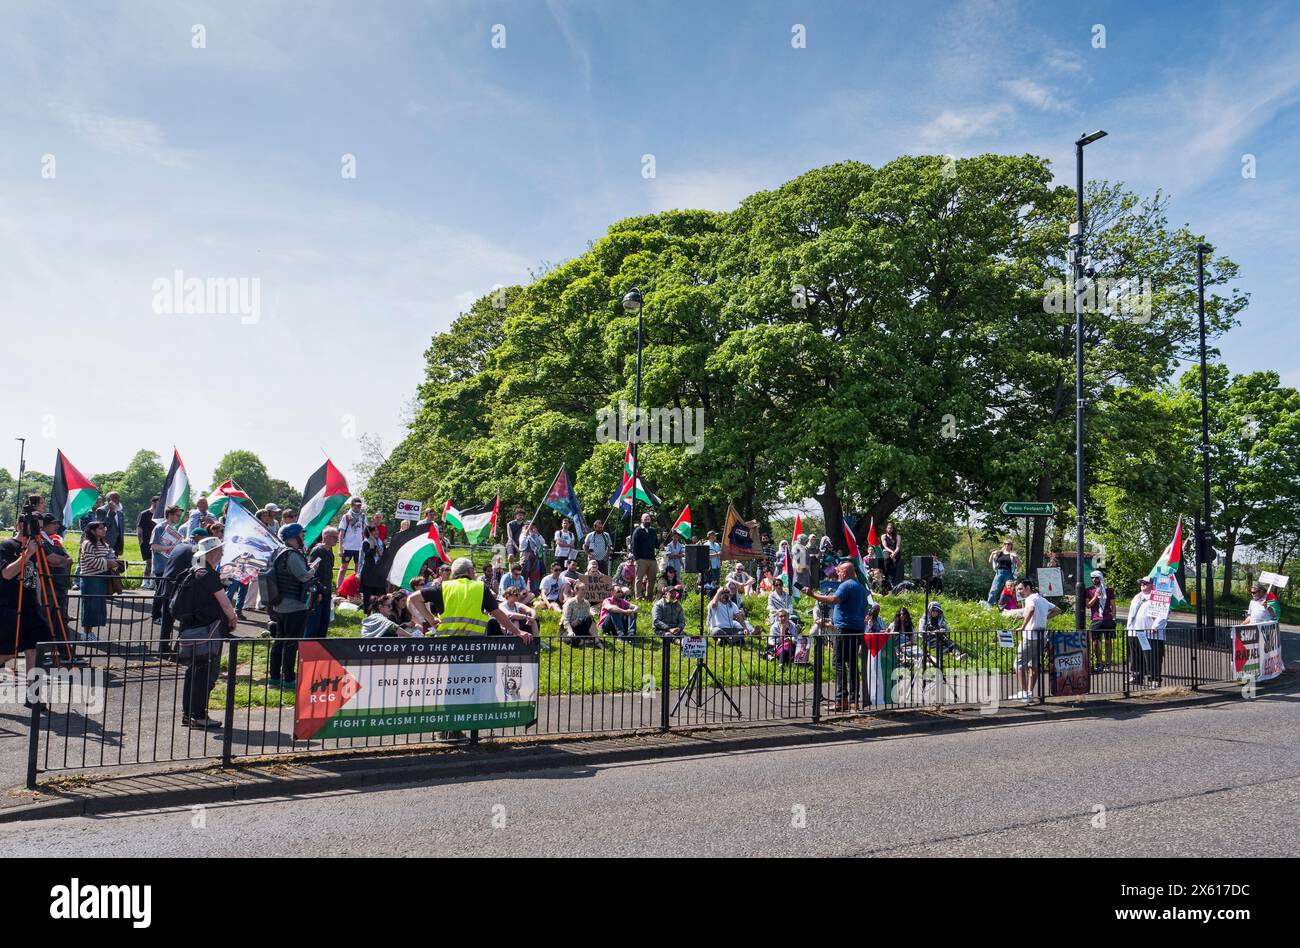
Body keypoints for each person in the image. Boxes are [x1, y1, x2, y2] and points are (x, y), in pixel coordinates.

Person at [171, 536, 237, 728]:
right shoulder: (207, 575)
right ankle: (198, 715)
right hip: (207, 630)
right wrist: (232, 618)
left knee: (193, 672)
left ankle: (188, 714)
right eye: (220, 550)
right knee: (204, 673)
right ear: (212, 553)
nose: (222, 553)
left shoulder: (192, 571)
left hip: (191, 629)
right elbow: (225, 603)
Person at [410, 557, 531, 642]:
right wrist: (518, 632)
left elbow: (413, 598)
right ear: (469, 571)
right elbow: (498, 613)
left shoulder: (442, 587)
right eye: (473, 569)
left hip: (446, 643)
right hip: (474, 643)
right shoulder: (480, 587)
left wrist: (431, 619)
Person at [807, 560, 867, 711]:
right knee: (853, 665)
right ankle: (854, 701)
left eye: (839, 571)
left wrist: (813, 595)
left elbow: (834, 600)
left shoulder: (845, 585)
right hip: (857, 629)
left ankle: (841, 700)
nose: (837, 574)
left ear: (845, 572)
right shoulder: (860, 587)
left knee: (839, 664)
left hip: (844, 630)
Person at [0, 520, 50, 681]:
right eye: (36, 526)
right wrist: (26, 553)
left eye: (41, 527)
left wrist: (39, 597)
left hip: (31, 606)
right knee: (7, 653)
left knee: (34, 649)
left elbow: (35, 574)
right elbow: (6, 574)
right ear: (22, 524)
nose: (39, 530)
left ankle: (33, 696)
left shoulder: (35, 547)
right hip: (10, 606)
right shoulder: (6, 546)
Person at [267, 523, 314, 688]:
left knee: (280, 640)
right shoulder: (292, 555)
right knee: (291, 643)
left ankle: (274, 677)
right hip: (294, 606)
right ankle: (288, 679)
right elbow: (303, 576)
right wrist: (313, 569)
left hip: (280, 605)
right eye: (302, 534)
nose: (303, 537)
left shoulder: (278, 552)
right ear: (294, 536)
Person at [1008, 578, 1059, 700]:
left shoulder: (1030, 599)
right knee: (1034, 666)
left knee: (1018, 664)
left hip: (1030, 637)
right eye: (1017, 589)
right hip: (1040, 637)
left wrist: (1022, 627)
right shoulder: (1041, 599)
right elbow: (1057, 610)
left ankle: (1025, 693)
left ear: (1028, 588)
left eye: (1020, 588)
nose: (1019, 591)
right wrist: (1044, 618)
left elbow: (1031, 610)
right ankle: (1029, 693)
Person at [78, 520, 117, 643]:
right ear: (92, 531)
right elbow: (91, 561)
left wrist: (114, 562)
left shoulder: (103, 543)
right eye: (100, 528)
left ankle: (90, 633)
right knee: (90, 606)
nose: (104, 530)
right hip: (90, 578)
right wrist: (108, 563)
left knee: (97, 606)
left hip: (101, 577)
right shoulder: (88, 543)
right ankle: (86, 633)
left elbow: (105, 559)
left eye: (104, 527)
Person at [1125, 577, 1167, 686]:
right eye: (1141, 583)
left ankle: (1154, 679)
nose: (1143, 584)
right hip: (1134, 631)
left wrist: (1156, 626)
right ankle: (1136, 676)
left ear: (1153, 585)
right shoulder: (1137, 597)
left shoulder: (1158, 597)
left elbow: (1163, 613)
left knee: (1152, 656)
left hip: (1151, 633)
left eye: (1146, 583)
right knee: (1136, 656)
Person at [38, 515, 73, 638]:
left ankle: (63, 651)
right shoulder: (40, 540)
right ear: (45, 524)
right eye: (54, 523)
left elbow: (69, 559)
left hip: (59, 585)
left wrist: (60, 561)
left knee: (60, 619)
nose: (57, 526)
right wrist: (61, 561)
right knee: (46, 618)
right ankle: (42, 653)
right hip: (48, 586)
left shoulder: (55, 541)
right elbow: (52, 560)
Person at [150, 505, 183, 623]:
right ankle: (156, 616)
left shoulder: (174, 530)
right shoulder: (159, 528)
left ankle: (165, 616)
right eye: (177, 515)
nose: (179, 518)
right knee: (160, 593)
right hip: (160, 566)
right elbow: (154, 546)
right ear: (170, 514)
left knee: (167, 593)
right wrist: (172, 547)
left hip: (169, 566)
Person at [305, 526, 339, 639]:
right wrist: (318, 591)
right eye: (334, 537)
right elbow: (313, 572)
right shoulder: (318, 550)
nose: (336, 539)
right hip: (318, 592)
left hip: (327, 590)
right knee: (314, 623)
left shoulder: (330, 552)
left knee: (324, 621)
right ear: (325, 537)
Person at [1087, 569, 1116, 671]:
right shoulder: (1089, 590)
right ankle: (1099, 662)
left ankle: (1108, 663)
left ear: (1100, 578)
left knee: (1108, 642)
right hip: (1096, 619)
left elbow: (1113, 606)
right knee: (1095, 642)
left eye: (1096, 577)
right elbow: (1088, 605)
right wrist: (1095, 596)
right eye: (1092, 578)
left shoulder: (1109, 590)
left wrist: (1114, 618)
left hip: (1108, 619)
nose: (1094, 579)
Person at [336, 497, 368, 585]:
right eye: (356, 505)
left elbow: (366, 532)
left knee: (357, 571)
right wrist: (340, 548)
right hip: (347, 547)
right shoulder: (346, 516)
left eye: (359, 505)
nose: (358, 507)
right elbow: (341, 533)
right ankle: (339, 589)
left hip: (359, 547)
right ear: (351, 505)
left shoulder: (363, 516)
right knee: (343, 569)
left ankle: (355, 590)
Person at [561, 581, 601, 648]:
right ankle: (586, 642)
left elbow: (587, 618)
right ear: (576, 590)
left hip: (581, 626)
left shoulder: (587, 603)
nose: (584, 591)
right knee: (572, 639)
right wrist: (570, 631)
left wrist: (579, 620)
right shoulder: (570, 603)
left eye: (585, 589)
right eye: (582, 589)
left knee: (589, 618)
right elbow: (566, 620)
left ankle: (596, 640)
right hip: (568, 627)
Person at [630, 512, 659, 600]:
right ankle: (638, 597)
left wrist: (660, 545)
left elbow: (656, 544)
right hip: (641, 559)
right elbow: (634, 546)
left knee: (652, 579)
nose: (647, 520)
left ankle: (649, 597)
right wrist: (636, 559)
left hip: (652, 559)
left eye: (648, 519)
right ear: (641, 520)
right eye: (645, 519)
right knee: (639, 579)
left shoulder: (653, 531)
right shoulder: (637, 531)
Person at [358, 526, 385, 611]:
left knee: (380, 594)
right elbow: (369, 555)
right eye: (374, 531)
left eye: (377, 530)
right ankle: (367, 611)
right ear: (369, 533)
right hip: (369, 573)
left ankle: (378, 611)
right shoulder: (366, 543)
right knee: (368, 594)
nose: (376, 532)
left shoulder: (381, 543)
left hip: (379, 573)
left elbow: (384, 556)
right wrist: (372, 545)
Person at [987, 539, 1021, 605]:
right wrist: (992, 553)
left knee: (1010, 590)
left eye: (1008, 544)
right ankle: (989, 605)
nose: (1007, 545)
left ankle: (1010, 605)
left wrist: (1016, 557)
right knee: (994, 589)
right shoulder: (999, 553)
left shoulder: (1013, 554)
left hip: (1009, 573)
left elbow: (1019, 564)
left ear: (1011, 545)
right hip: (999, 572)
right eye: (1005, 544)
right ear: (1003, 545)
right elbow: (990, 561)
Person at [136, 497, 160, 590]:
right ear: (153, 502)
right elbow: (139, 528)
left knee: (156, 562)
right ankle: (145, 582)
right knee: (149, 562)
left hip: (157, 542)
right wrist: (140, 541)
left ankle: (153, 582)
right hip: (146, 541)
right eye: (157, 502)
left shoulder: (160, 515)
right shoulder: (144, 514)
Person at [95, 492, 126, 558]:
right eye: (115, 498)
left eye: (118, 498)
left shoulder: (120, 512)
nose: (117, 500)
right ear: (108, 500)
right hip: (105, 543)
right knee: (106, 564)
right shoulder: (101, 510)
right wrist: (111, 512)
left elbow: (120, 530)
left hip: (117, 544)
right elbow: (102, 526)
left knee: (114, 565)